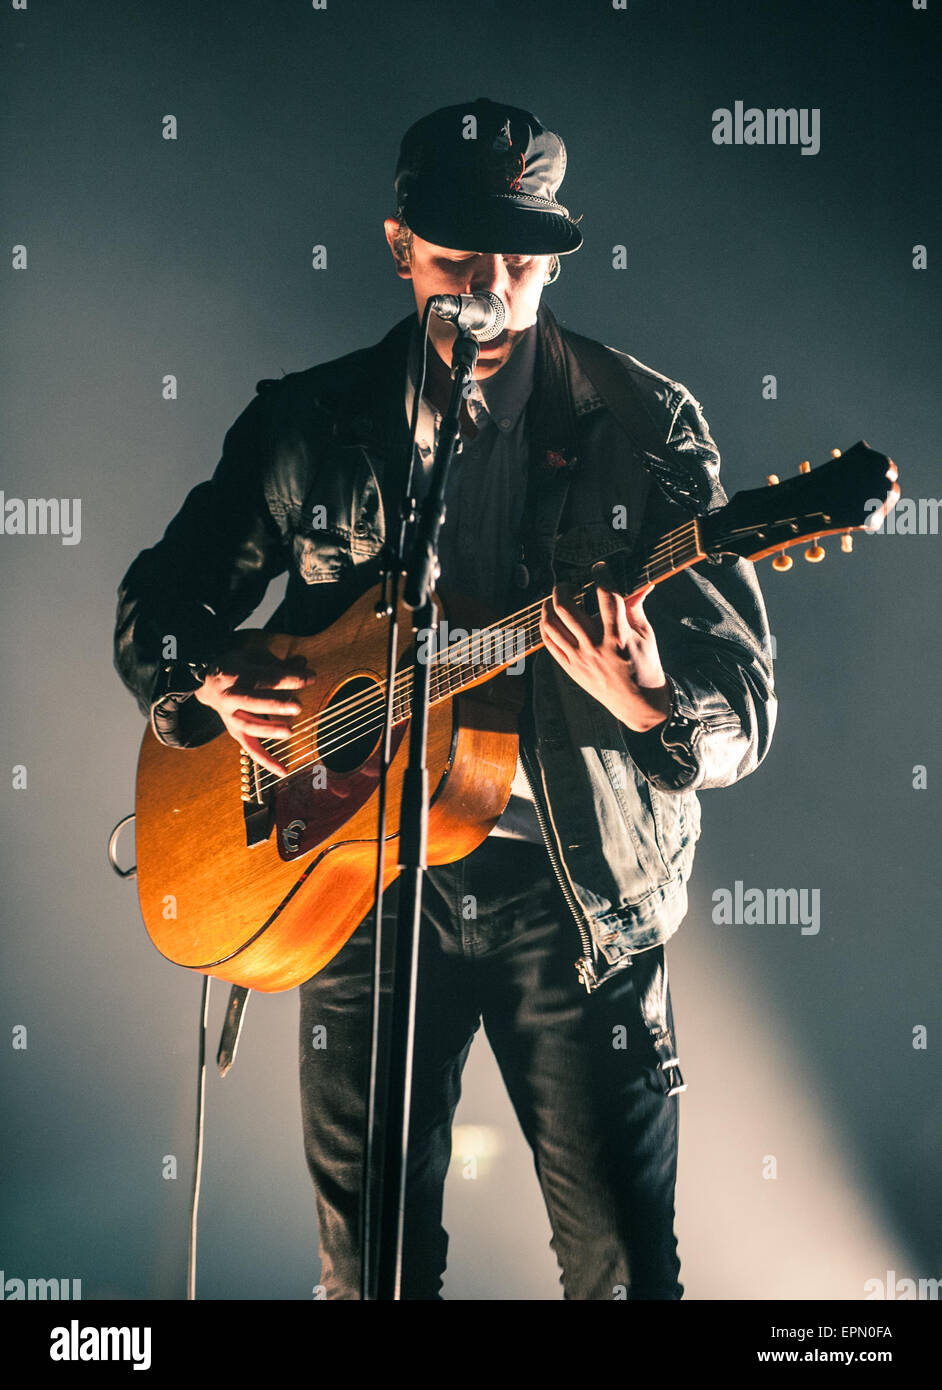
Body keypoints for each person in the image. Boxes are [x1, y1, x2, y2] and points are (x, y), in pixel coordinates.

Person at [114, 97, 777, 1300]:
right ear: (398, 245)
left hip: (576, 898)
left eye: (522, 257)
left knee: (624, 1272)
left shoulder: (645, 427)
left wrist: (651, 703)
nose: (493, 284)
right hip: (359, 878)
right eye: (460, 255)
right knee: (369, 1275)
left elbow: (744, 701)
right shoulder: (309, 427)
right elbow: (158, 599)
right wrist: (206, 674)